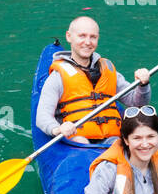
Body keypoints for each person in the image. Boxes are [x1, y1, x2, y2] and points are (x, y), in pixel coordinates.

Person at [36, 15, 151, 144]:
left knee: (117, 143)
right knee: (81, 141)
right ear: (69, 37)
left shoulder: (107, 69)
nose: (88, 42)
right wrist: (57, 129)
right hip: (76, 139)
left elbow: (137, 103)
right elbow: (42, 116)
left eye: (93, 37)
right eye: (82, 36)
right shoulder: (57, 77)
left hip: (111, 138)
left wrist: (143, 85)